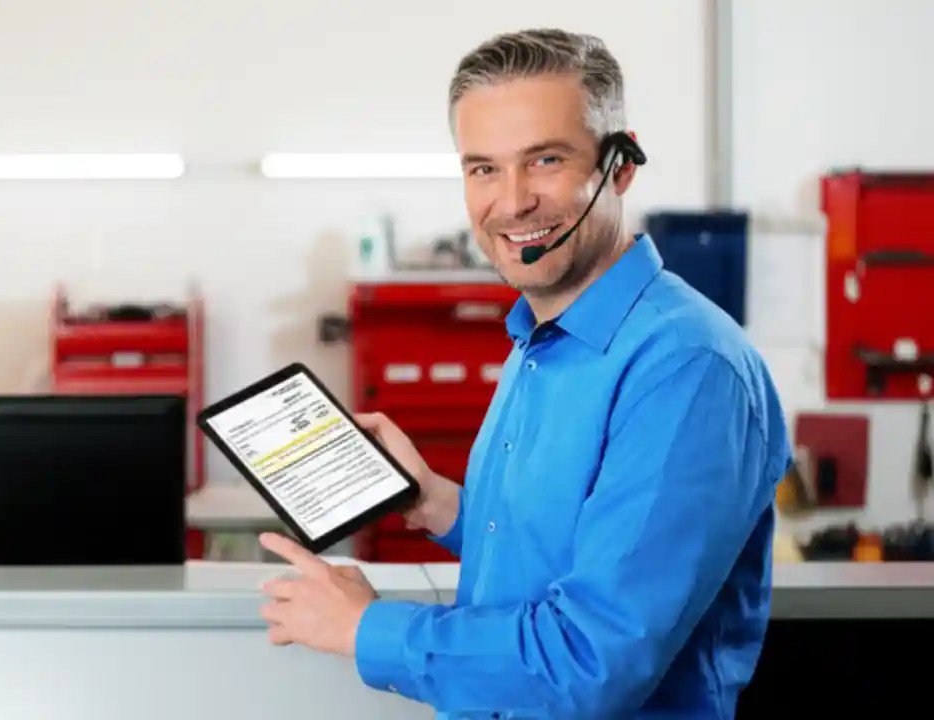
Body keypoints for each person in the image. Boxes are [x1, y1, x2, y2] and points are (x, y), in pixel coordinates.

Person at [256, 27, 791, 718]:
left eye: (544, 160)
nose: (510, 203)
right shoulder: (542, 340)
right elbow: (561, 545)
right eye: (483, 168)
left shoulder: (687, 369)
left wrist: (367, 629)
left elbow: (594, 660)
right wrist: (433, 501)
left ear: (620, 166)